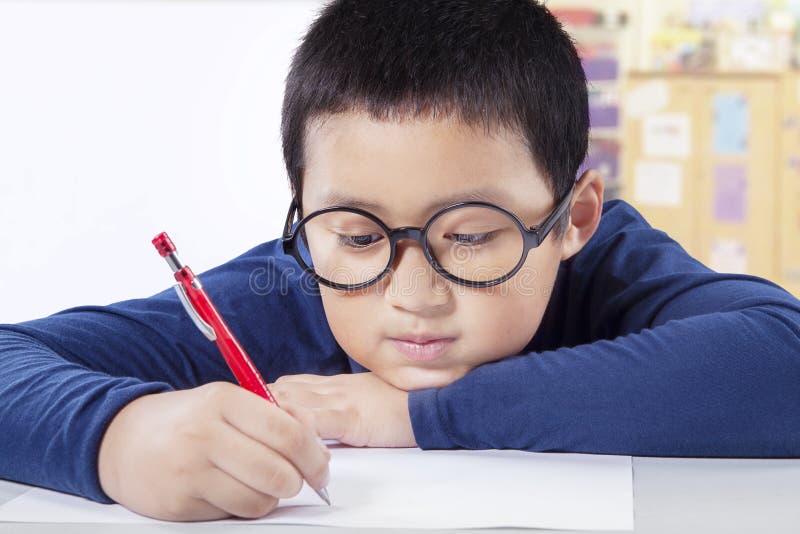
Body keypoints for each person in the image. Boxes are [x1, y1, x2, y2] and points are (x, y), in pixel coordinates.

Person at [2, 0, 799, 523]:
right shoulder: (284, 288)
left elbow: (782, 362)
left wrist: (415, 416)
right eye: (356, 236)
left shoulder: (612, 265)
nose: (412, 296)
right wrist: (116, 438)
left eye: (473, 235)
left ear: (572, 219)